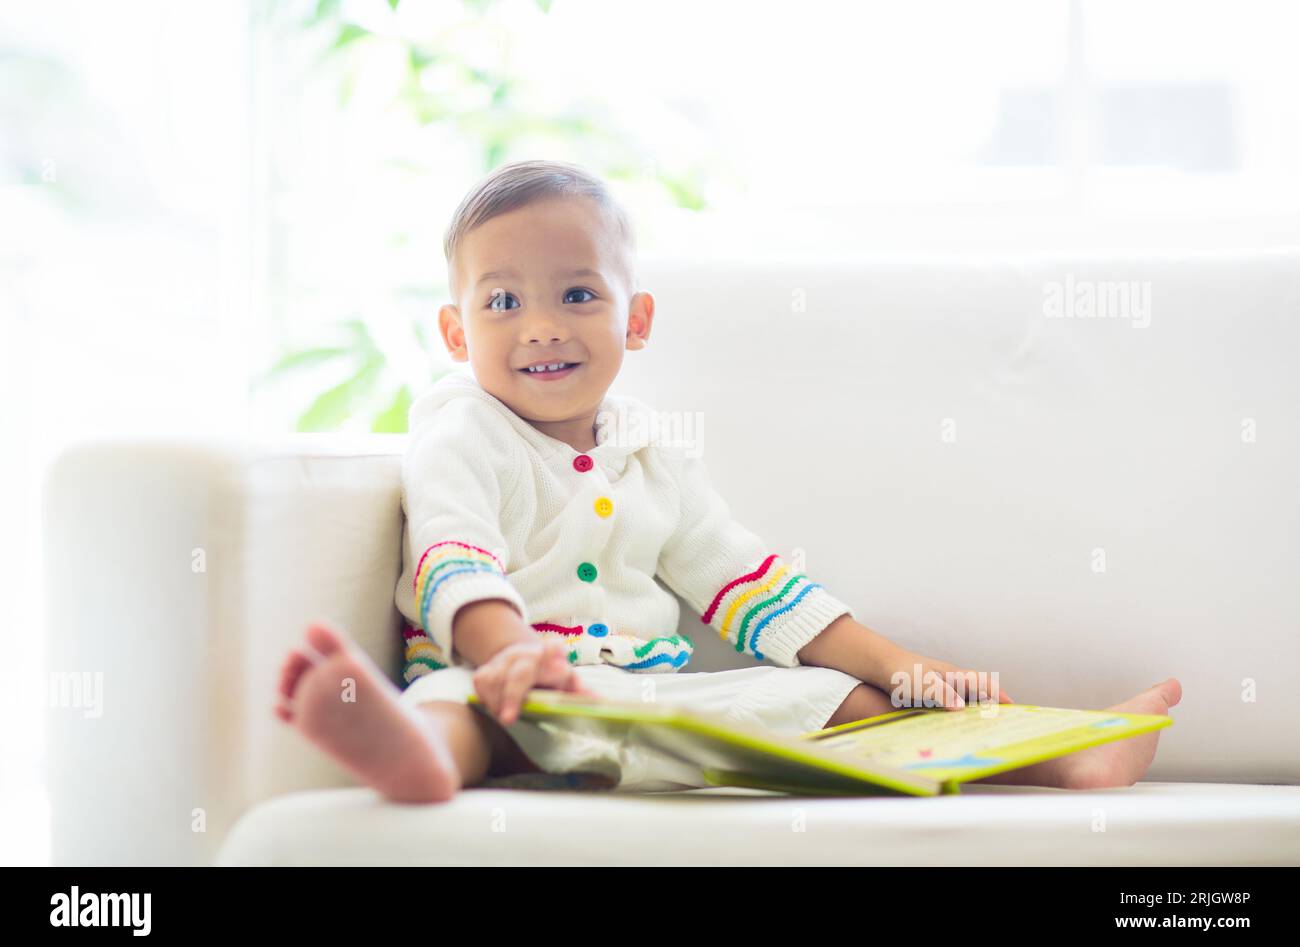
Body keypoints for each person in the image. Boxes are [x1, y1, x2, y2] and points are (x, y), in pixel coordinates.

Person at [274, 159, 1181, 801]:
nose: (541, 326)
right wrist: (507, 651)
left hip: (646, 699)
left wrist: (900, 665)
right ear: (457, 334)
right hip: (503, 685)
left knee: (842, 705)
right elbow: (450, 554)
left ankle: (1062, 761)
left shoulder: (655, 452)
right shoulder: (461, 429)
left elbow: (747, 580)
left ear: (637, 320)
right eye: (503, 301)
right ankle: (419, 759)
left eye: (577, 294)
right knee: (457, 710)